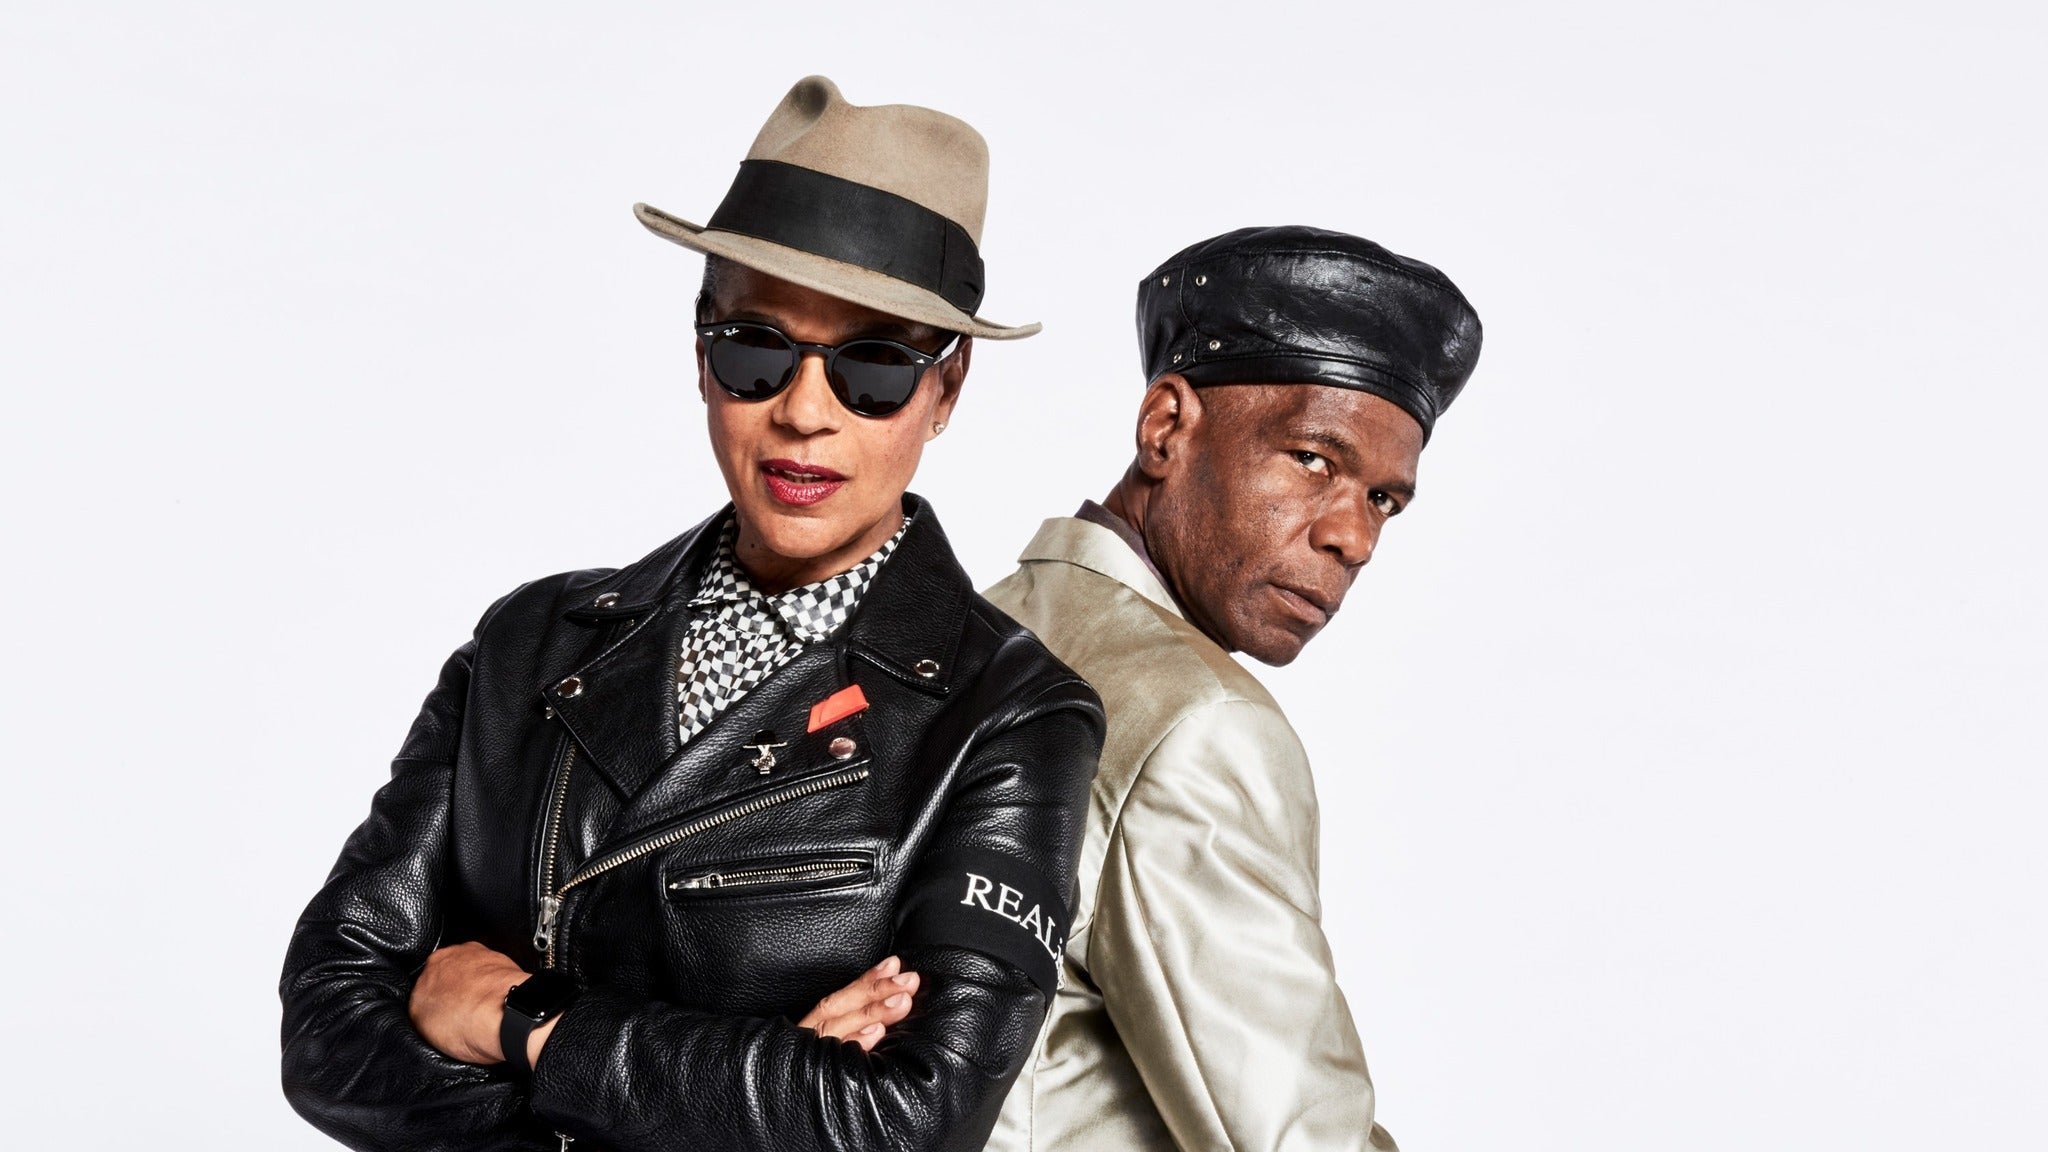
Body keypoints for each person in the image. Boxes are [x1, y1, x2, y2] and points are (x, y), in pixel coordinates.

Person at [279, 76, 1104, 1152]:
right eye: (756, 349)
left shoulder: (1010, 717)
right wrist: (752, 1094)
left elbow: (908, 1123)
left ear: (945, 392)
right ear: (700, 353)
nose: (803, 412)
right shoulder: (526, 646)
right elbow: (327, 1026)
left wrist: (523, 1021)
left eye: (873, 369)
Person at [982, 225, 1484, 1152]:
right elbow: (1295, 1137)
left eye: (1383, 499)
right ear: (1165, 428)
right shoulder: (1198, 726)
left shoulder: (980, 626)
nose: (1353, 539)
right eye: (1315, 460)